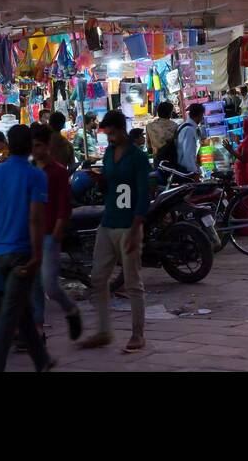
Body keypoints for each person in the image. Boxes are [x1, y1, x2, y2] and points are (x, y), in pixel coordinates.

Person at [0, 124, 52, 372]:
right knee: (10, 315)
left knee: (22, 309)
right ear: (30, 145)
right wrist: (38, 254)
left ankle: (42, 360)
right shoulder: (35, 175)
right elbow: (35, 219)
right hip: (22, 253)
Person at [79, 109, 149, 353]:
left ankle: (137, 334)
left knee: (132, 282)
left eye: (110, 132)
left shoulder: (137, 158)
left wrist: (136, 227)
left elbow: (143, 195)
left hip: (128, 224)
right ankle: (103, 331)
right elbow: (112, 184)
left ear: (121, 129)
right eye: (106, 133)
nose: (108, 137)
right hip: (108, 222)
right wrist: (99, 178)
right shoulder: (109, 153)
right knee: (98, 278)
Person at [29, 125, 82, 342]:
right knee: (35, 285)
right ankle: (38, 329)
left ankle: (71, 310)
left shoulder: (58, 171)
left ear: (47, 146)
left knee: (50, 285)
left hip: (51, 233)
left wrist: (59, 229)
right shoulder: (30, 170)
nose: (36, 150)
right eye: (33, 146)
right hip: (31, 233)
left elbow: (64, 204)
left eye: (39, 146)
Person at [175, 103, 204, 175]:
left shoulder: (186, 126)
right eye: (202, 115)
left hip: (184, 169)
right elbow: (188, 154)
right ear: (200, 115)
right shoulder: (189, 130)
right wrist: (194, 173)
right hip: (185, 171)